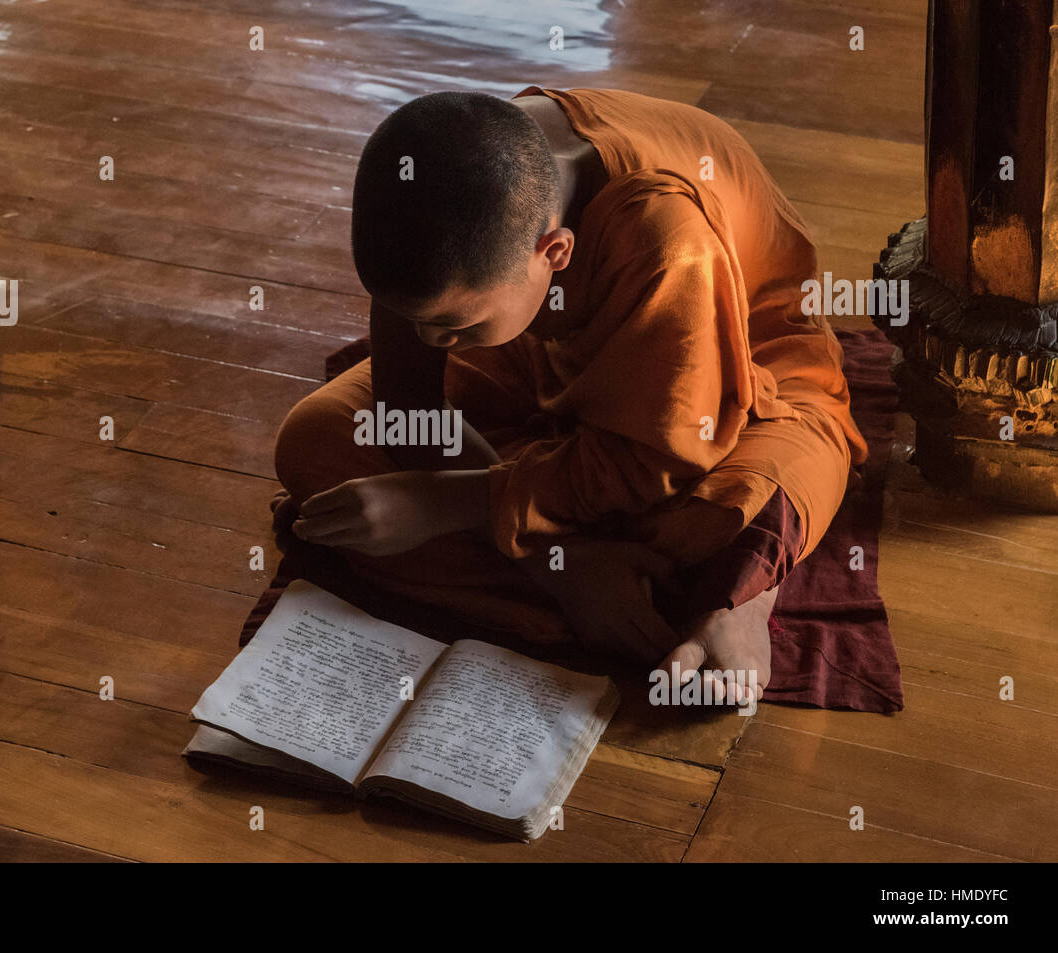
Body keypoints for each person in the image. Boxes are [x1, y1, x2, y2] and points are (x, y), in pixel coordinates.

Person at [271, 88, 867, 704]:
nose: (430, 342)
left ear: (555, 251)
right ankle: (633, 591)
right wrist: (564, 568)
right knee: (318, 440)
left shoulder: (665, 237)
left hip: (736, 367)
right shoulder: (434, 200)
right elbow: (408, 405)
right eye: (411, 317)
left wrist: (444, 502)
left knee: (714, 519)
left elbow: (654, 464)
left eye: (457, 328)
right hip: (537, 334)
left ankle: (737, 599)